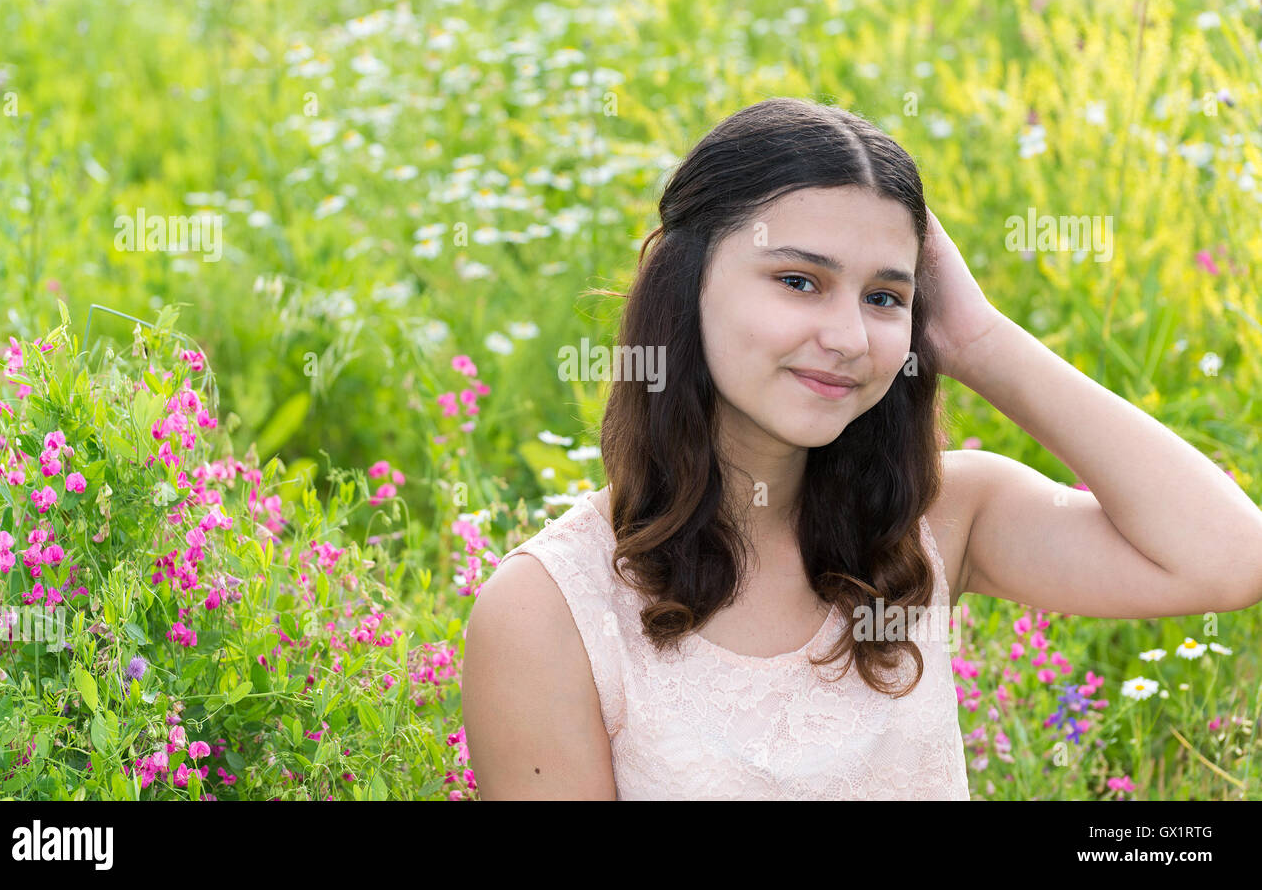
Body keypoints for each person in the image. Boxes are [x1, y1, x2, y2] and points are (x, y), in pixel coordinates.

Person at [461, 97, 1262, 800]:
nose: (846, 337)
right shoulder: (551, 609)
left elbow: (1229, 557)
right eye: (799, 281)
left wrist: (978, 339)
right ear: (687, 285)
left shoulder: (938, 521)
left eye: (885, 296)